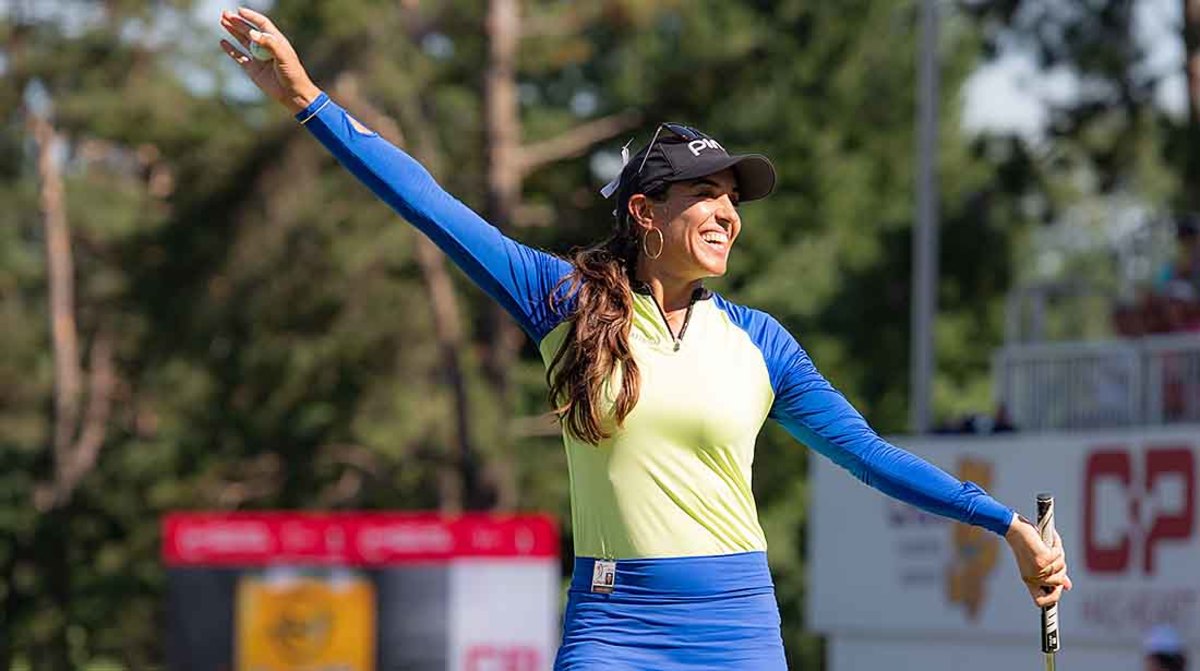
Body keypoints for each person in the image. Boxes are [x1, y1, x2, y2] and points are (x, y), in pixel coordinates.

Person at [218, 8, 1071, 669]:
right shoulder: (560, 300)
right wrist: (309, 103)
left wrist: (1002, 523)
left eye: (735, 198)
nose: (729, 214)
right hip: (613, 626)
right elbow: (429, 204)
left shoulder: (762, 343)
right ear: (643, 212)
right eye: (707, 193)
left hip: (738, 630)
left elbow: (869, 455)